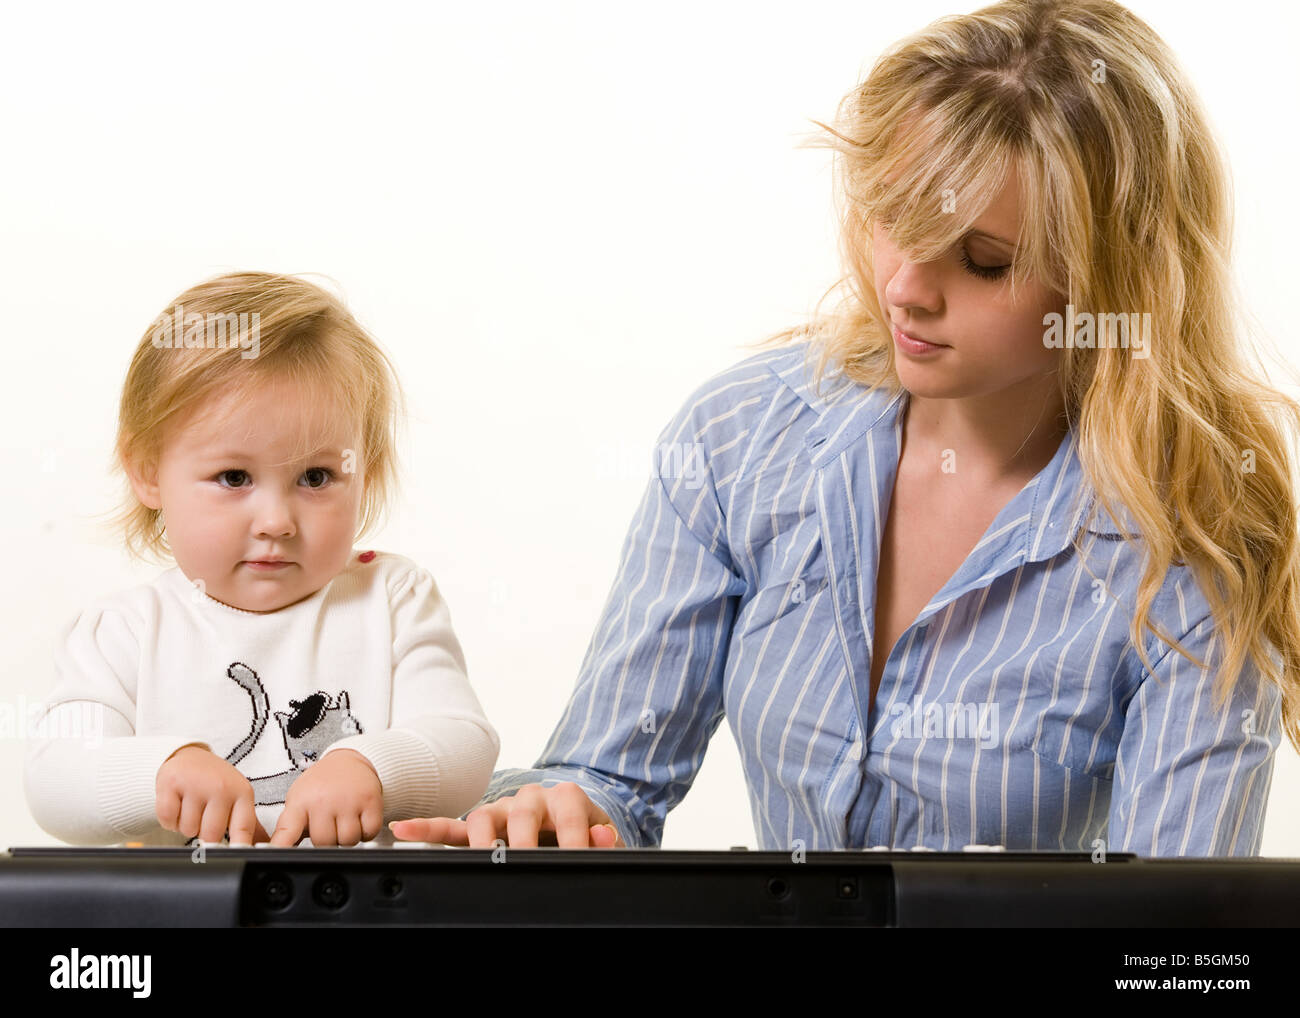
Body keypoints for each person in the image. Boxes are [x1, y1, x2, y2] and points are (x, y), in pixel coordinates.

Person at [392, 0, 1300, 856]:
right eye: (894, 221)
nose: (907, 285)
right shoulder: (741, 438)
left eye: (984, 262)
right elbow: (608, 780)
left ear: (1113, 283)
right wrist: (559, 818)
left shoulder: (1192, 555)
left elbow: (1176, 936)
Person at [24, 271, 499, 847]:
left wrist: (370, 765)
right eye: (233, 477)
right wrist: (161, 770)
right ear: (149, 472)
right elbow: (54, 776)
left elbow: (465, 741)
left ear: (363, 475)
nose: (277, 521)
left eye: (316, 476)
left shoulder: (391, 598)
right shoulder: (123, 633)